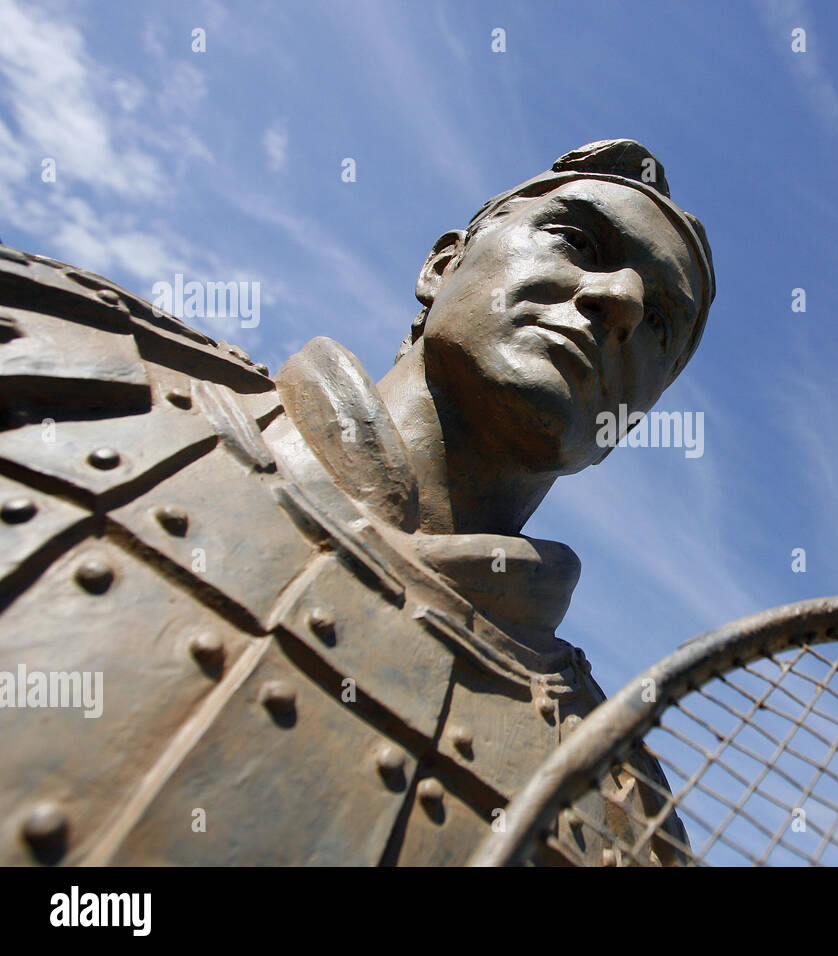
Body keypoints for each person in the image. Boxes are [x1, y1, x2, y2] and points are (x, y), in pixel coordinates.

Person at [0, 139, 713, 865]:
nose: (619, 299)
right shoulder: (58, 353)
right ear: (442, 265)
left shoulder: (624, 818)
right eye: (576, 239)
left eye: (659, 322)